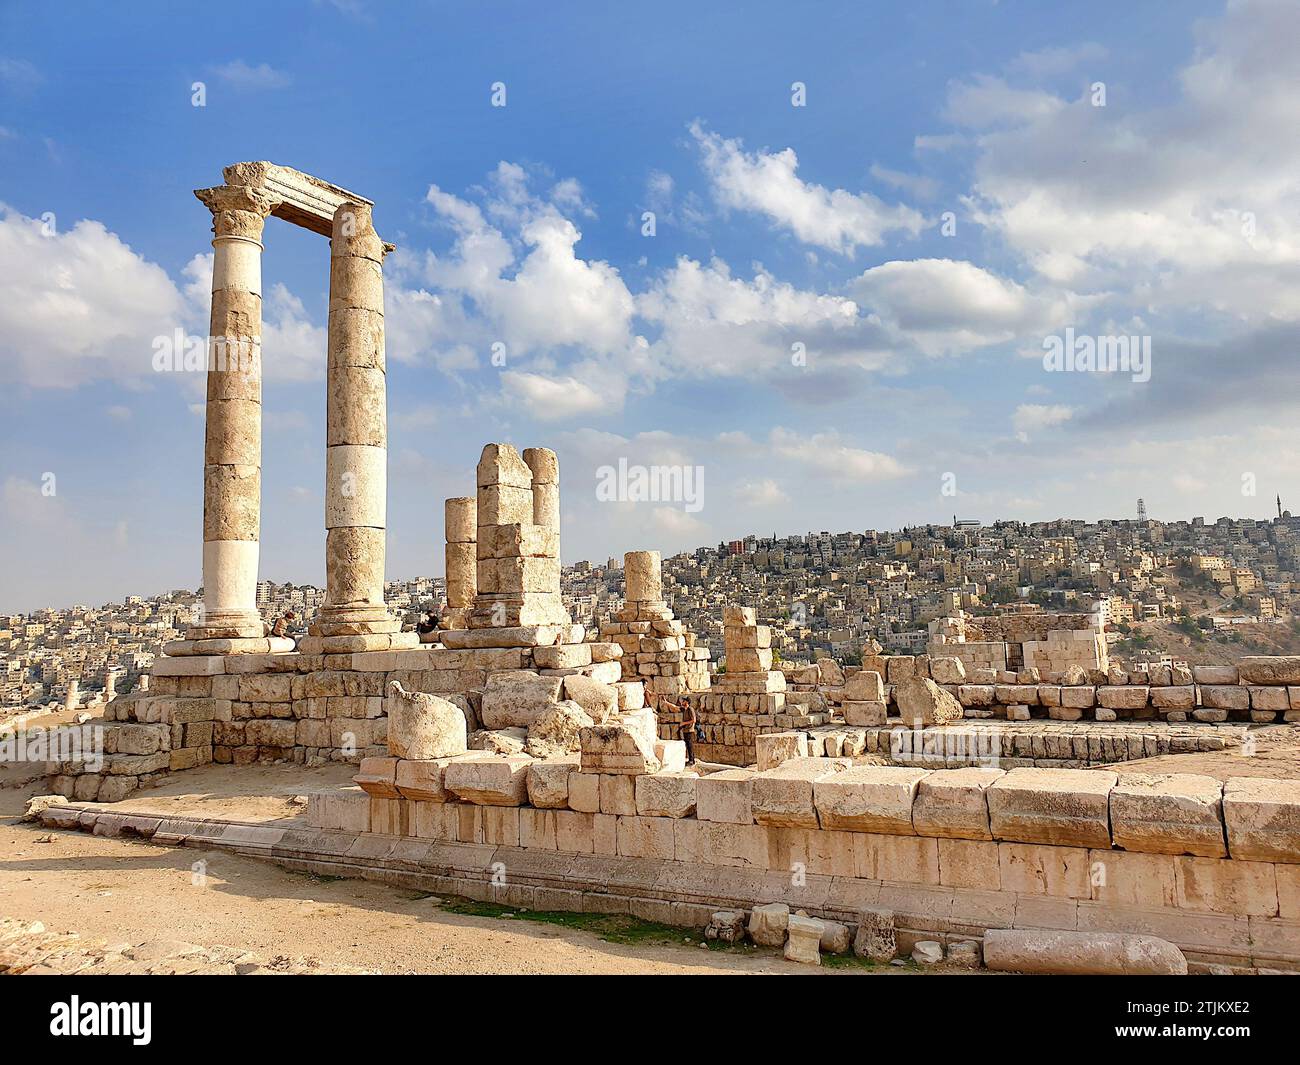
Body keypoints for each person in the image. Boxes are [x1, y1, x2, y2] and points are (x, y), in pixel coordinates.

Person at [677, 695, 697, 766]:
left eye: (684, 700)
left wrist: (683, 723)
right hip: (685, 731)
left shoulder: (690, 709)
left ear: (687, 702)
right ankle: (691, 760)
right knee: (688, 746)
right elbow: (674, 707)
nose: (682, 701)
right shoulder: (684, 709)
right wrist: (666, 702)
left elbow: (694, 720)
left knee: (690, 746)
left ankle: (692, 760)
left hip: (690, 731)